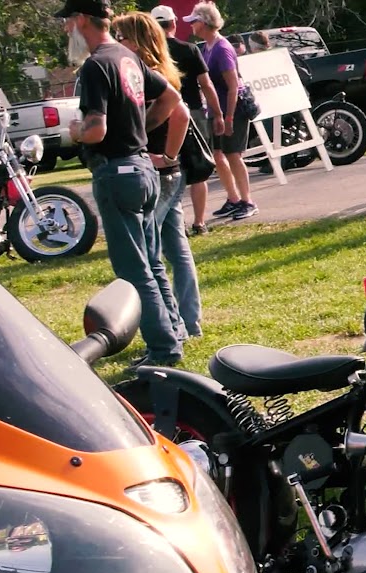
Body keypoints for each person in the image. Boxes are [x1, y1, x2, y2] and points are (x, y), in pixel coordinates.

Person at [58, 0, 185, 367]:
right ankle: (172, 332)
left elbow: (97, 130)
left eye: (68, 23)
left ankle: (163, 349)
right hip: (143, 168)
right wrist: (140, 130)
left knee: (134, 271)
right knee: (153, 263)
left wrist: (78, 132)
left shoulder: (97, 65)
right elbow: (172, 99)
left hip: (117, 173)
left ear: (81, 20)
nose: (67, 31)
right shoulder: (127, 57)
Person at [113, 11, 204, 341]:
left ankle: (173, 329)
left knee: (151, 256)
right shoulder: (161, 70)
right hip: (169, 173)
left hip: (160, 172)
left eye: (120, 37)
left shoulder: (146, 73)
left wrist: (165, 154)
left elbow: (179, 112)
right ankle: (189, 323)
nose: (116, 44)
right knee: (177, 250)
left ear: (137, 41)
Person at [150, 4, 223, 237]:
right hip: (192, 111)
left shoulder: (150, 53)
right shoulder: (189, 49)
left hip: (163, 116)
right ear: (173, 24)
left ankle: (174, 221)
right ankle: (199, 222)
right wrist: (218, 113)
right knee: (198, 167)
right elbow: (206, 84)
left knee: (168, 167)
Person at [186, 2, 258, 220]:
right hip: (217, 108)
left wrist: (228, 116)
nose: (191, 26)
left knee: (233, 155)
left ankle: (248, 201)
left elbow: (233, 85)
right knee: (218, 154)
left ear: (205, 23)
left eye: (194, 21)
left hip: (233, 107)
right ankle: (233, 198)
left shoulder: (222, 48)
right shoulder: (207, 47)